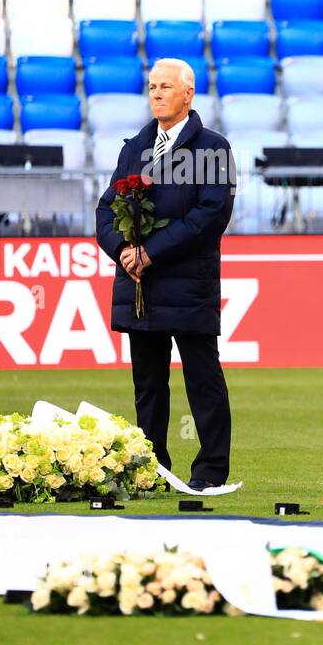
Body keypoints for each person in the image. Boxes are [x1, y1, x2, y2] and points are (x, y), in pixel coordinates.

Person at [95, 58, 236, 490]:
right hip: (140, 286)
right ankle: (150, 468)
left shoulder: (213, 148)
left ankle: (211, 469)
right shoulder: (134, 147)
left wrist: (150, 252)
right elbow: (105, 209)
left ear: (188, 94)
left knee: (203, 379)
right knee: (148, 383)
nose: (156, 93)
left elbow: (210, 216)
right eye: (152, 87)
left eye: (165, 87)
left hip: (189, 283)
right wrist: (123, 250)